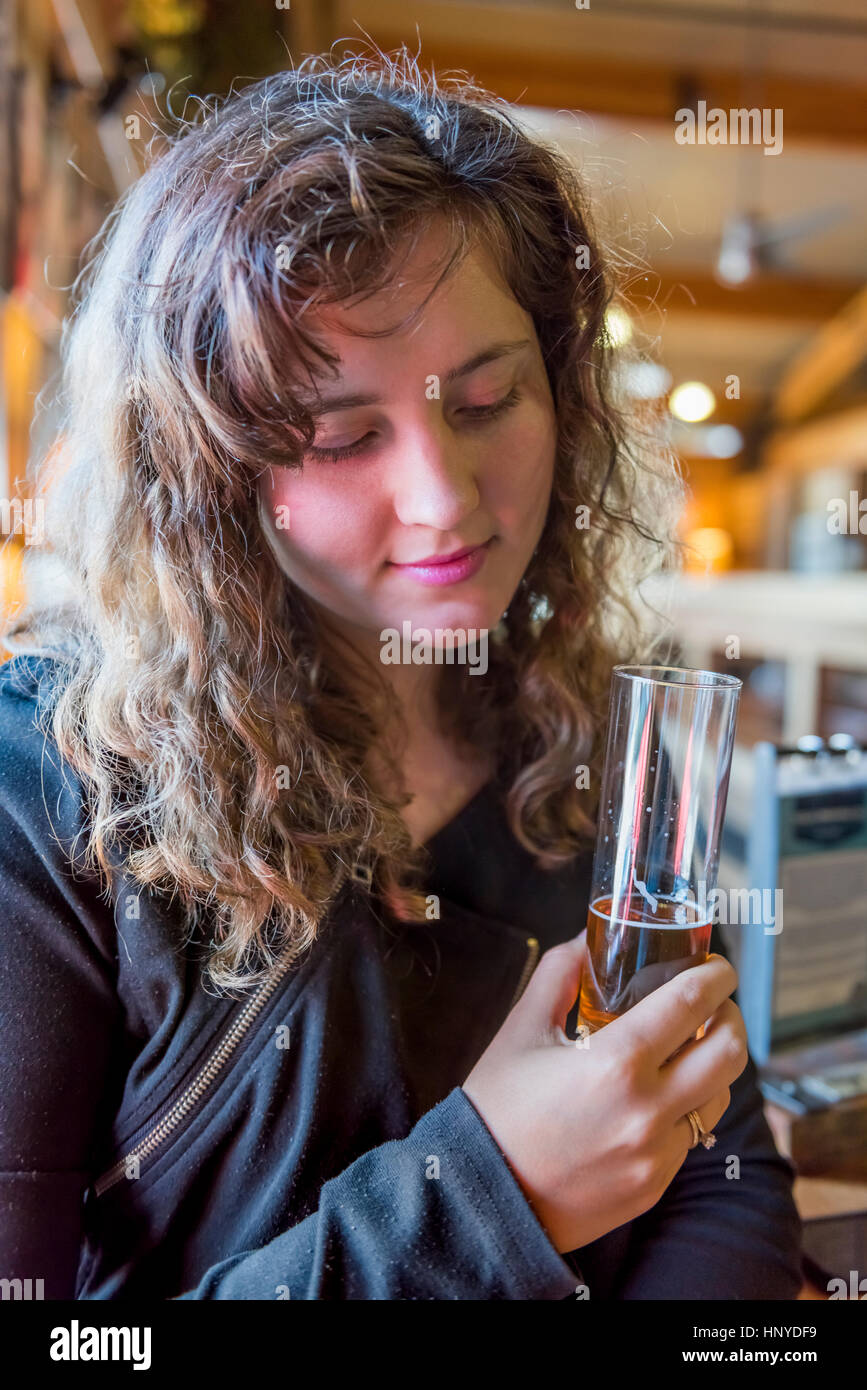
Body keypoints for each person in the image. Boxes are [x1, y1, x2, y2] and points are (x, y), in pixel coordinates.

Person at [0, 47, 802, 1300]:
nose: (444, 501)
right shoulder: (44, 791)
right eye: (339, 437)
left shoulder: (573, 732)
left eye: (488, 401)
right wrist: (491, 1201)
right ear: (202, 470)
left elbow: (722, 1167)